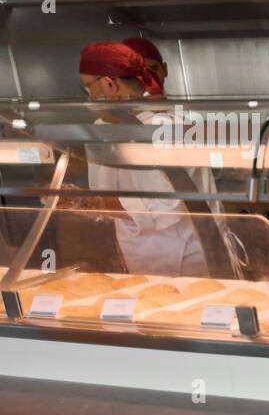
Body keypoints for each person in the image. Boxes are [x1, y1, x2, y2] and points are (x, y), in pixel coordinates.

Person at [78, 41, 224, 278]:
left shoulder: (166, 127)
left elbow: (167, 206)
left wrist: (98, 204)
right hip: (138, 257)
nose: (89, 96)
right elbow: (102, 194)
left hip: (189, 256)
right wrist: (91, 203)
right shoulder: (99, 130)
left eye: (87, 87)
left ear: (108, 84)